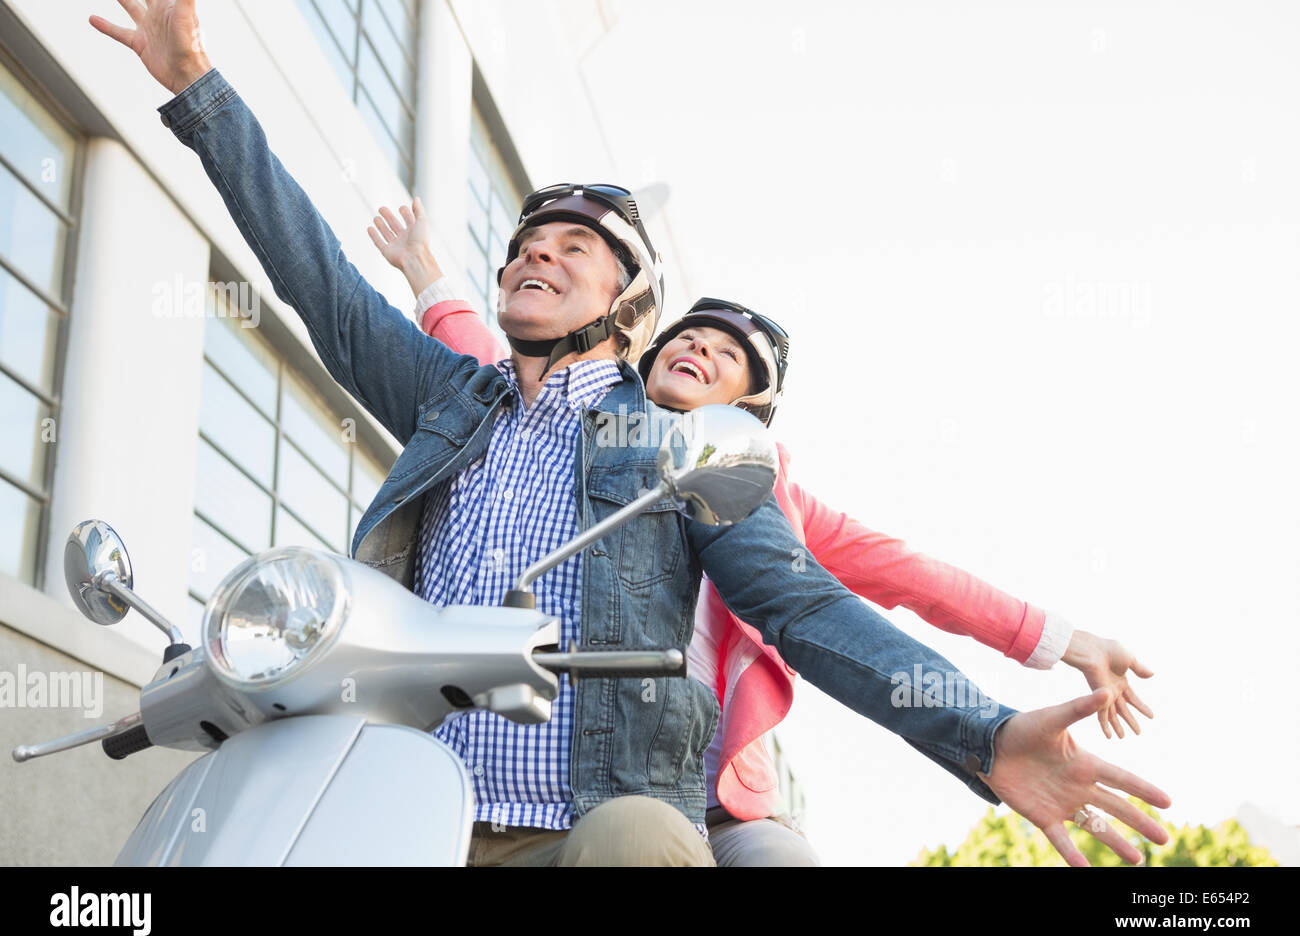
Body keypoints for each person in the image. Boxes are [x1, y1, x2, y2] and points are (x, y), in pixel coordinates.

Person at [90, 0, 1170, 868]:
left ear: (628, 300)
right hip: (398, 804)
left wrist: (976, 733)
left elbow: (804, 602)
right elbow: (318, 283)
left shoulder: (679, 445)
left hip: (585, 819)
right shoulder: (446, 395)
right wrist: (197, 85)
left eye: (571, 247)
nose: (533, 257)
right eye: (522, 244)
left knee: (641, 838)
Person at [369, 201, 1156, 866]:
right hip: (574, 778)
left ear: (745, 412)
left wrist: (1063, 641)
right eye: (686, 338)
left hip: (714, 797)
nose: (698, 350)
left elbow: (903, 580)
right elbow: (483, 357)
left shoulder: (762, 485)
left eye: (727, 356)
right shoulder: (565, 421)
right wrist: (423, 269)